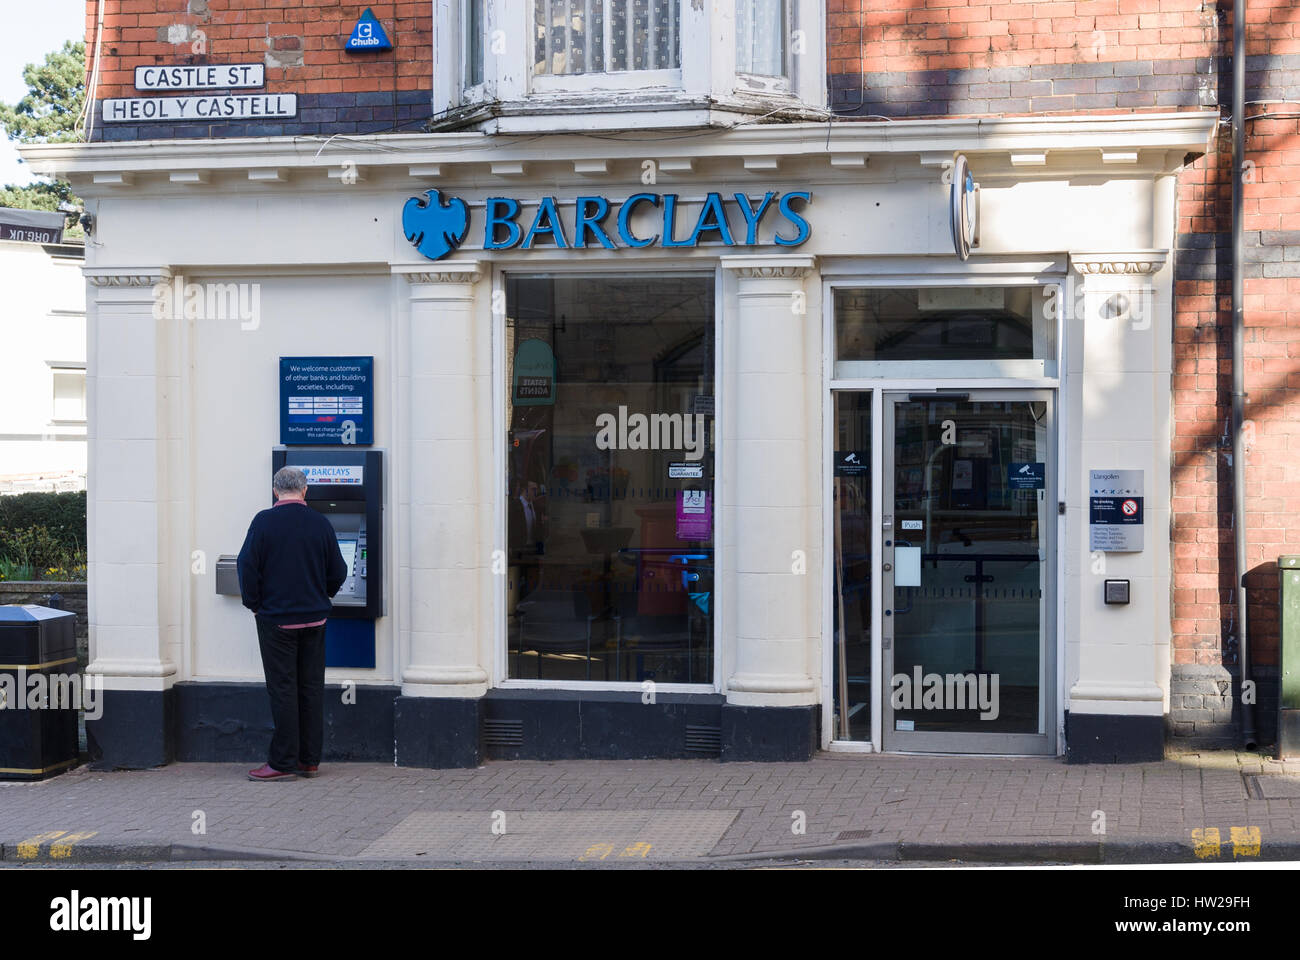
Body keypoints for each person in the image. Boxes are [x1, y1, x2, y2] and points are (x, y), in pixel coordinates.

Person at [236, 466, 347, 782]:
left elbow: (247, 566)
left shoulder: (263, 521)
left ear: (275, 491)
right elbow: (338, 570)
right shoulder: (320, 523)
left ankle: (283, 761)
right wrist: (320, 595)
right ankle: (309, 761)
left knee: (283, 689)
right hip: (315, 620)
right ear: (305, 490)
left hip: (277, 621)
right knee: (311, 688)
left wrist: (255, 605)